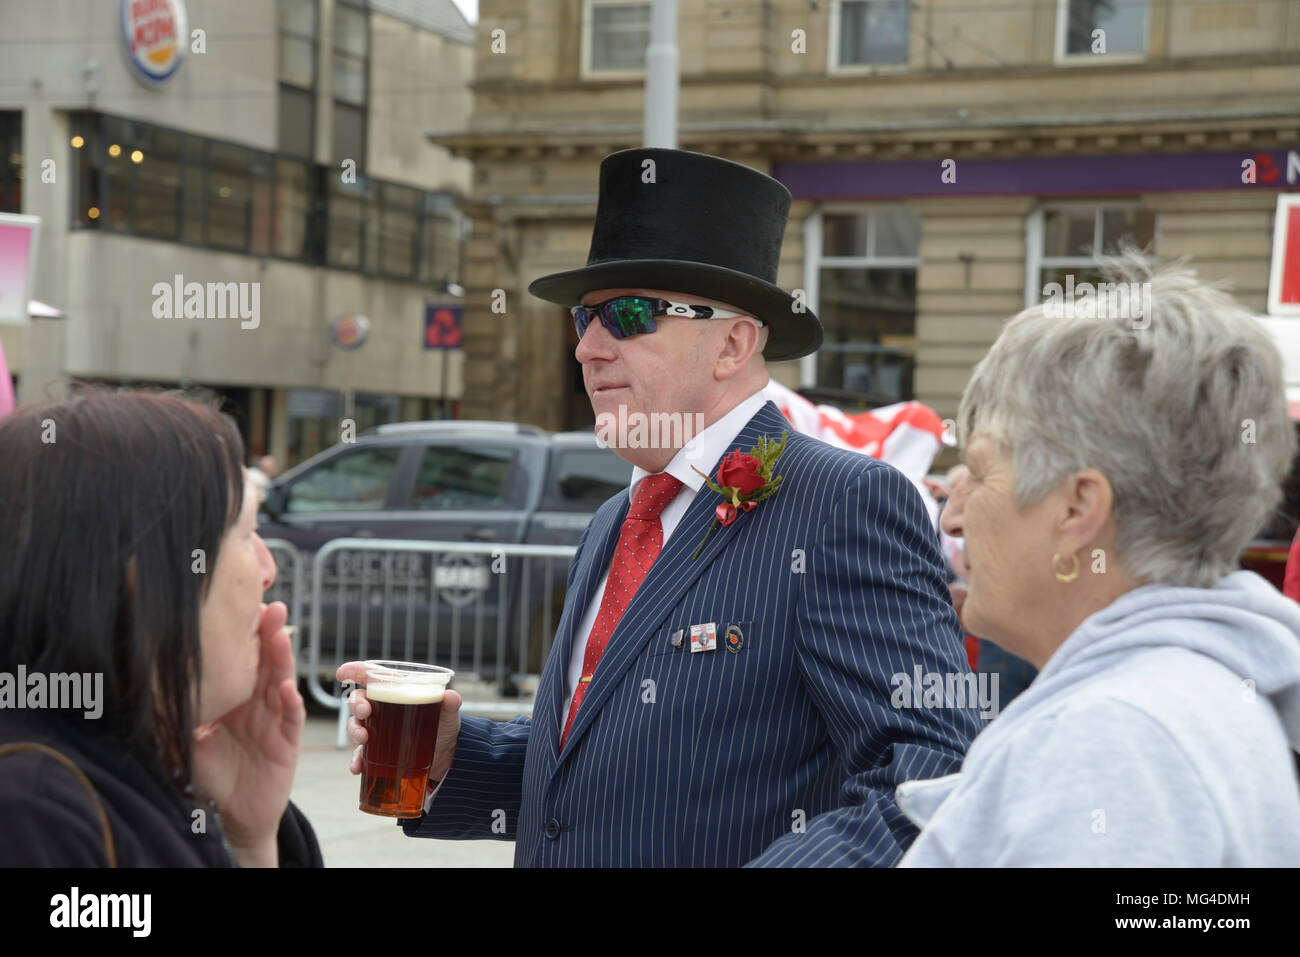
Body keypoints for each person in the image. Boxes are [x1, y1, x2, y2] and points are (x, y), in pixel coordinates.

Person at [340, 147, 981, 867]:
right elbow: (615, 769)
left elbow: (931, 773)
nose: (587, 348)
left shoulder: (846, 502)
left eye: (628, 314)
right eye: (583, 318)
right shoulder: (618, 518)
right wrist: (458, 756)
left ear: (734, 343)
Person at [896, 250, 1300, 865]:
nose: (953, 517)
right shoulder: (1181, 695)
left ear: (1076, 509)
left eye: (979, 471)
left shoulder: (1112, 737)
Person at [0, 389, 321, 867]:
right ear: (143, 573)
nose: (267, 568)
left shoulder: (138, 772)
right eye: (243, 533)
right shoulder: (34, 814)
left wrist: (253, 840)